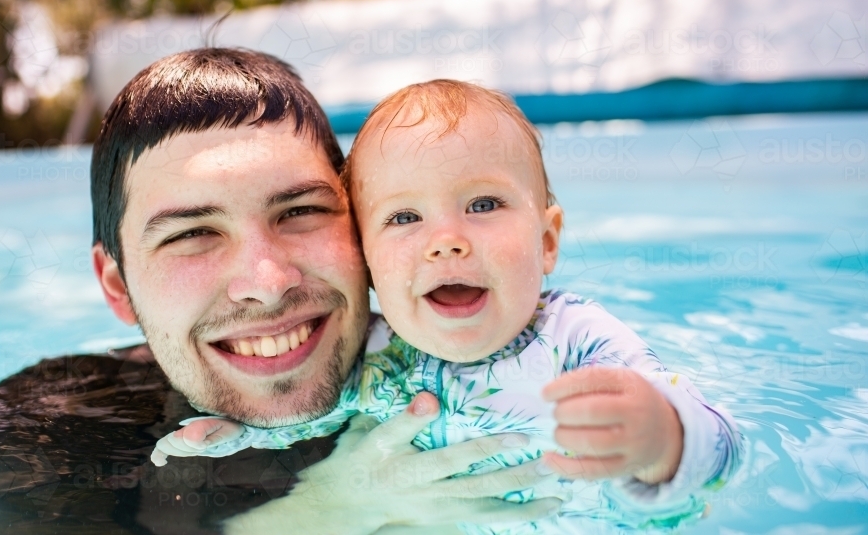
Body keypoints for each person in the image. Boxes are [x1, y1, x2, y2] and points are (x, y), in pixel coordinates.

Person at [149, 80, 742, 531]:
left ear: (547, 241)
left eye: (483, 205)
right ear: (368, 265)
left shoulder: (575, 338)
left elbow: (721, 444)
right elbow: (317, 417)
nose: (447, 239)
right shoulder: (377, 354)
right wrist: (240, 436)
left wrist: (663, 436)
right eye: (404, 218)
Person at [86, 49, 566, 532]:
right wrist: (333, 508)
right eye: (191, 234)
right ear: (117, 285)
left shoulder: (497, 352)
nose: (268, 285)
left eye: (301, 212)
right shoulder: (53, 439)